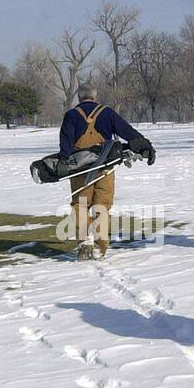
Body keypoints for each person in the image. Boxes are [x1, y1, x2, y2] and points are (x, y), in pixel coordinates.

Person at [59, 82, 155, 260]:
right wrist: (144, 145)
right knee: (101, 206)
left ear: (79, 97)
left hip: (80, 169)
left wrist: (64, 160)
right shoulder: (107, 113)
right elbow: (127, 131)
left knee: (80, 205)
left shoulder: (71, 115)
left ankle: (84, 241)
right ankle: (99, 247)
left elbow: (65, 142)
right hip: (105, 168)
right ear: (95, 97)